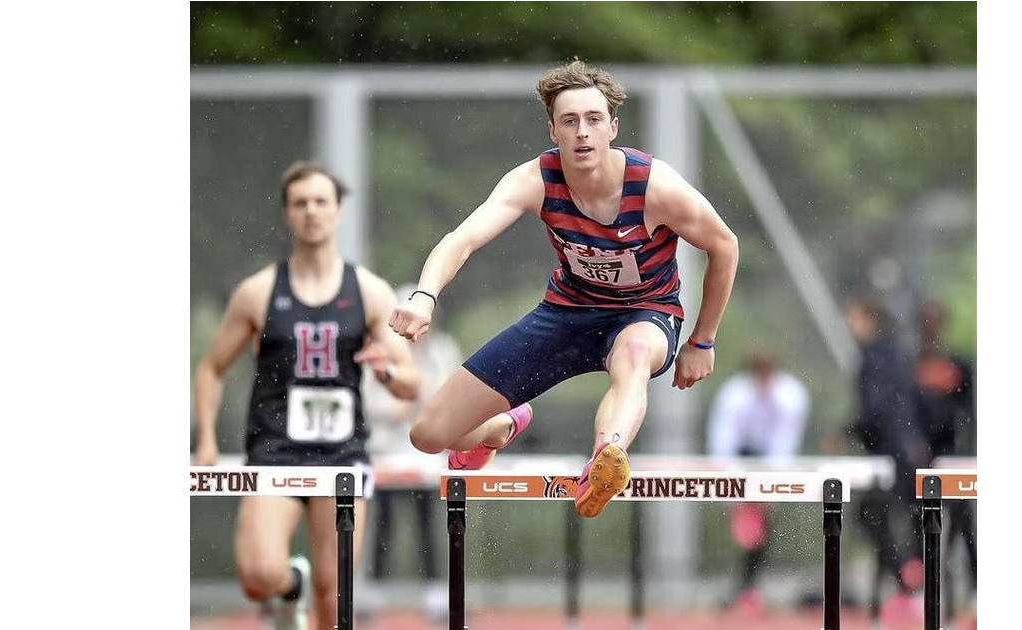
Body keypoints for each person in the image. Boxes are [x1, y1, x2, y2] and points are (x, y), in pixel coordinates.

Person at [389, 59, 740, 518]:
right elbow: (464, 238)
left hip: (645, 313)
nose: (582, 133)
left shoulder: (655, 187)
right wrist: (424, 295)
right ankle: (499, 428)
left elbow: (725, 245)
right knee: (428, 435)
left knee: (632, 358)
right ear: (553, 131)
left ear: (613, 127)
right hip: (566, 314)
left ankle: (605, 460)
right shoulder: (534, 179)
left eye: (594, 120)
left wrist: (702, 340)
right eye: (569, 122)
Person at [192, 162, 421, 629]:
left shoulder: (369, 292)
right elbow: (211, 368)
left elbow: (411, 381)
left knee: (335, 601)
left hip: (342, 455)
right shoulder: (257, 292)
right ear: (287, 214)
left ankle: (311, 597)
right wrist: (207, 441)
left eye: (321, 202)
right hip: (276, 451)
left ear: (338, 213)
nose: (311, 212)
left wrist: (387, 372)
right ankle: (288, 588)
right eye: (301, 203)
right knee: (258, 576)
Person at [361, 284, 463, 621]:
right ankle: (372, 592)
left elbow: (455, 394)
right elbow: (369, 401)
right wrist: (399, 407)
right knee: (383, 525)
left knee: (429, 525)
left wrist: (423, 402)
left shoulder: (443, 349)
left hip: (427, 458)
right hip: (388, 453)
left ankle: (436, 593)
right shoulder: (379, 350)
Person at [841, 295, 927, 614]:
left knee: (870, 516)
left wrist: (847, 431)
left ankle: (906, 573)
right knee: (905, 515)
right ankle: (908, 578)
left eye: (854, 318)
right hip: (908, 447)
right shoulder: (898, 352)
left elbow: (876, 408)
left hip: (890, 452)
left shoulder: (874, 354)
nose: (850, 326)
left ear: (869, 319)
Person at [706, 353, 810, 615]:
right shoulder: (733, 395)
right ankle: (743, 587)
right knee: (749, 535)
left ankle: (748, 588)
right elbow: (723, 438)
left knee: (763, 531)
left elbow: (786, 441)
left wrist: (770, 488)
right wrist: (732, 490)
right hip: (740, 457)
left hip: (771, 460)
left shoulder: (792, 396)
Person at [914, 299, 977, 603]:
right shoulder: (912, 364)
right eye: (926, 321)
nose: (931, 327)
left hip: (951, 452)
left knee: (962, 518)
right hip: (921, 456)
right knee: (921, 519)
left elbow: (969, 409)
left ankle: (975, 582)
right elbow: (906, 409)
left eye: (935, 321)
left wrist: (967, 448)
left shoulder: (958, 364)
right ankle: (924, 584)